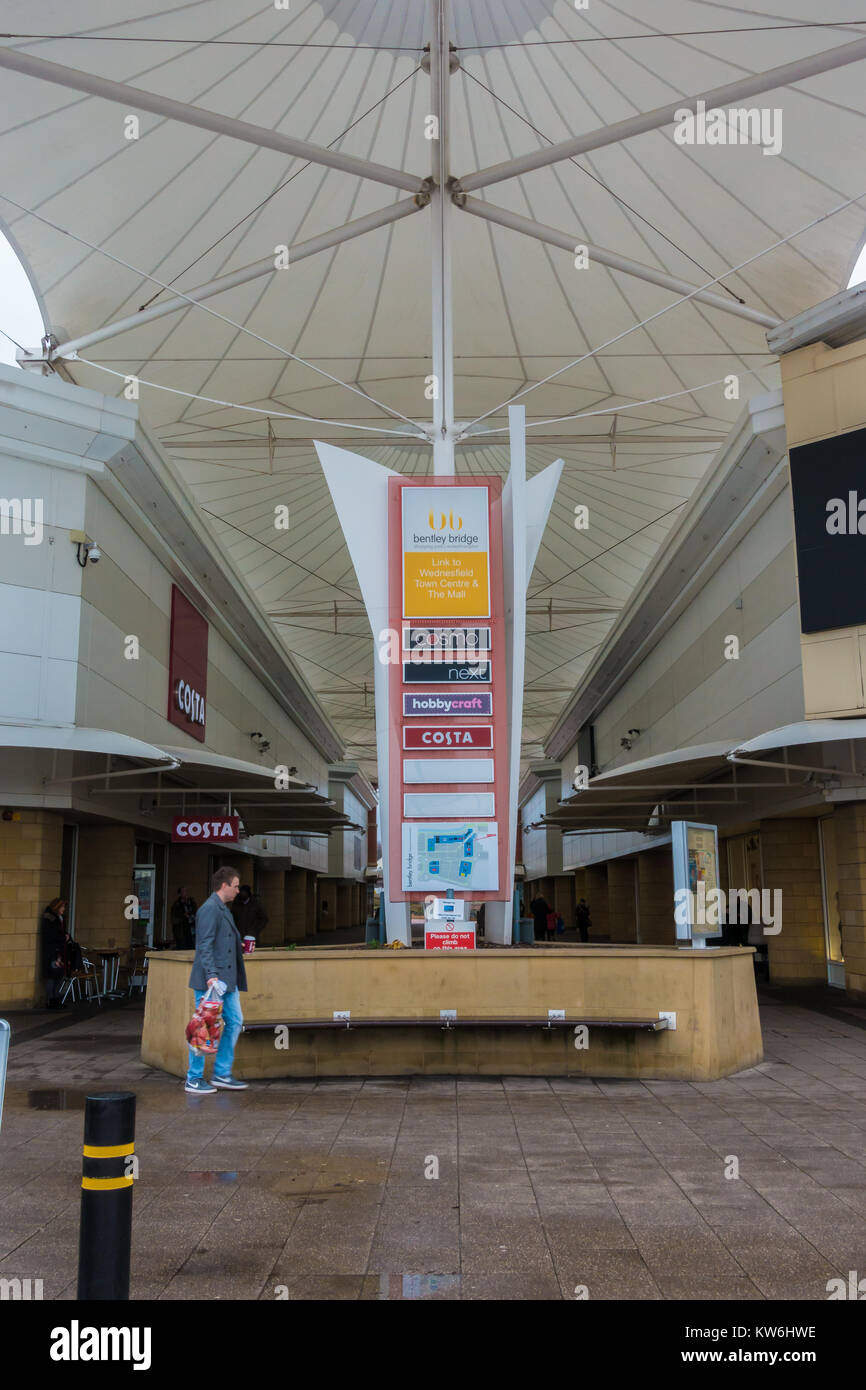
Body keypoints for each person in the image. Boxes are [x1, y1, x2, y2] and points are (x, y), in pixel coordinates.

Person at [186, 866, 249, 1094]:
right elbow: (204, 944)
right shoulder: (210, 909)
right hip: (213, 981)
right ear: (224, 886)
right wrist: (212, 976)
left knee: (233, 1022)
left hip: (225, 980)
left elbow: (217, 941)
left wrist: (237, 946)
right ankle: (194, 1078)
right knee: (203, 1026)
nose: (238, 890)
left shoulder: (220, 908)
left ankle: (221, 1073)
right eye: (235, 886)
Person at [41, 898, 67, 1008]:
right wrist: (63, 937)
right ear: (57, 907)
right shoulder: (50, 918)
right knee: (52, 975)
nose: (64, 909)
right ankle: (51, 1000)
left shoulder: (59, 918)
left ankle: (56, 998)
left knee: (59, 975)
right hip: (52, 952)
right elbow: (50, 935)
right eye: (62, 907)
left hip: (59, 951)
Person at [231, 883, 268, 949]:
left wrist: (255, 930)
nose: (242, 894)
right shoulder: (236, 904)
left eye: (244, 892)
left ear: (248, 893)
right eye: (241, 892)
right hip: (239, 936)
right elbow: (232, 919)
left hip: (252, 935)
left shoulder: (256, 904)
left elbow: (264, 919)